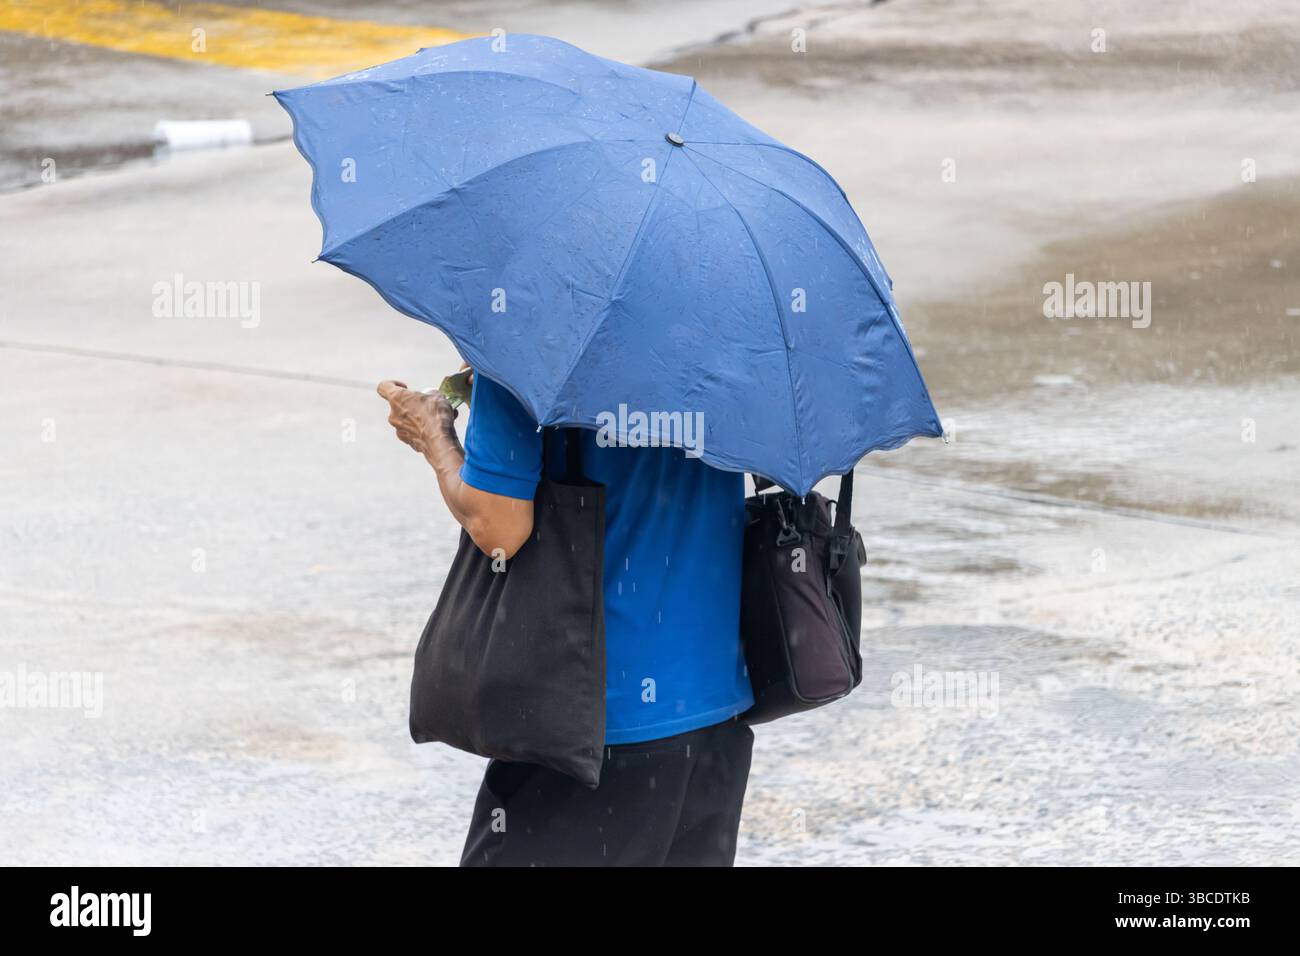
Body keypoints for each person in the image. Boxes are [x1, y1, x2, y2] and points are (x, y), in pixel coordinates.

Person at [378, 370, 755, 866]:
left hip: (593, 723)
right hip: (715, 713)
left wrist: (435, 435)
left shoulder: (525, 346)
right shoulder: (733, 340)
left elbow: (498, 525)